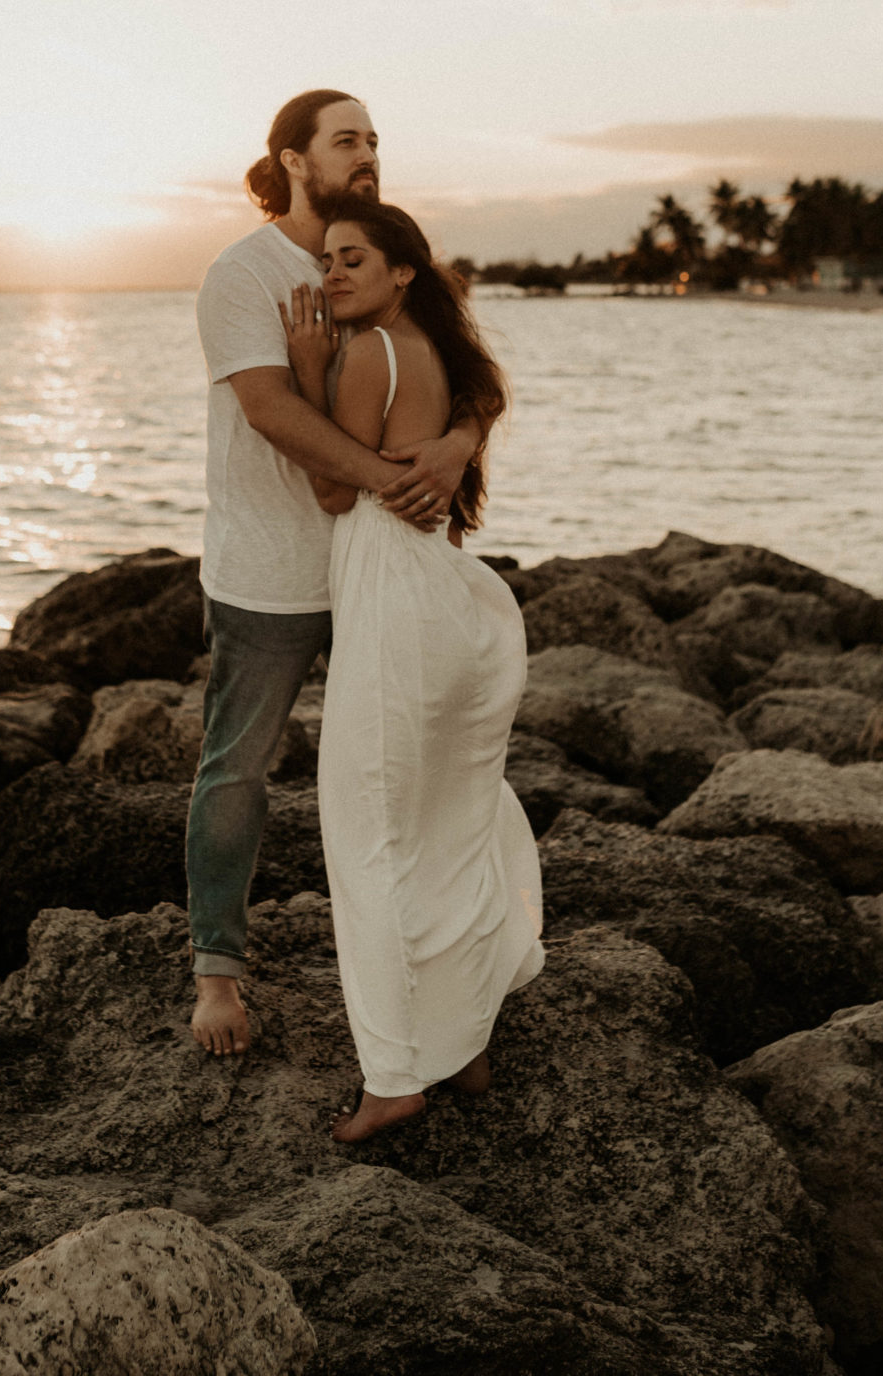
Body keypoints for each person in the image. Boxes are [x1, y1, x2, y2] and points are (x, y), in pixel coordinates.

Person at [188, 90, 486, 1059]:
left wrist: (456, 445)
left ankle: (432, 972)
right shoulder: (243, 274)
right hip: (269, 572)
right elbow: (270, 408)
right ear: (290, 159)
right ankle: (216, 974)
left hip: (380, 571)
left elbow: (465, 368)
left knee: (401, 775)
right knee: (237, 765)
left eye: (372, 140)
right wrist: (390, 477)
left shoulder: (387, 251)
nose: (365, 154)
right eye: (344, 140)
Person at [281, 197, 545, 1142]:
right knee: (445, 824)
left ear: (403, 274)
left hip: (397, 610)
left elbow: (328, 484)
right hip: (446, 605)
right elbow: (475, 408)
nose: (333, 274)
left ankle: (395, 1075)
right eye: (327, 260)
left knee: (371, 839)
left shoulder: (366, 355)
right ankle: (463, 1041)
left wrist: (310, 372)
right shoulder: (436, 353)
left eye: (355, 259)